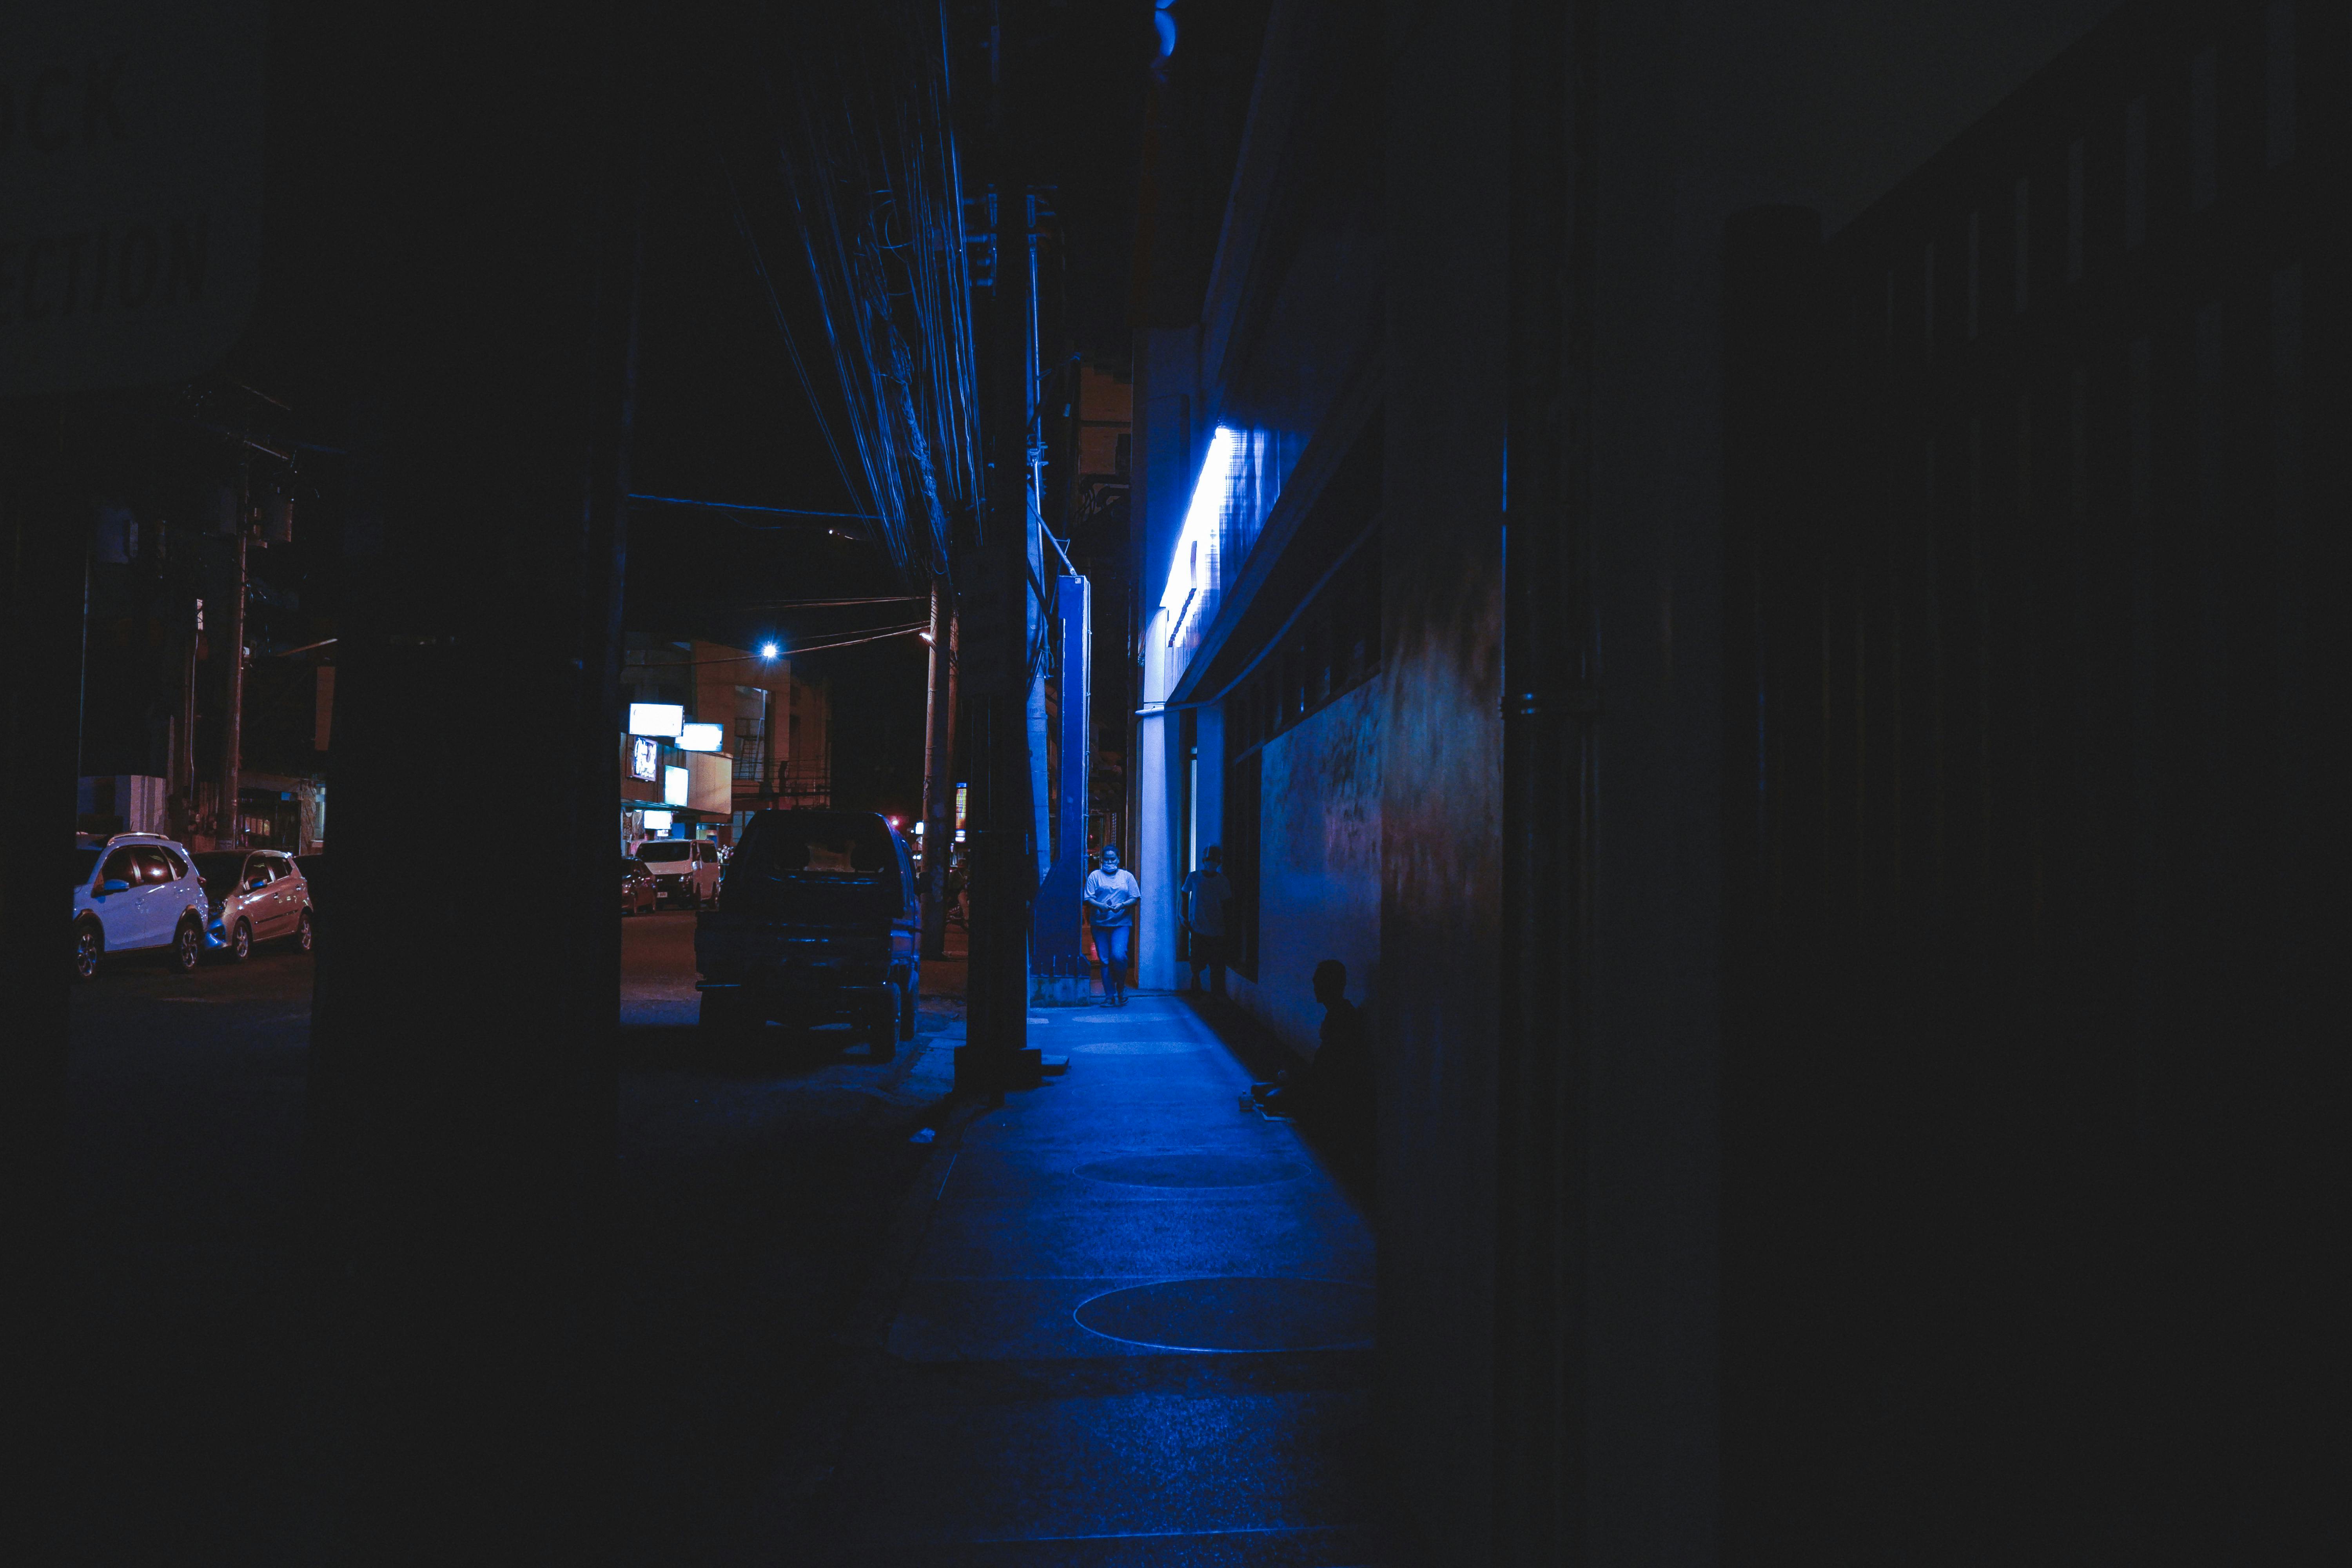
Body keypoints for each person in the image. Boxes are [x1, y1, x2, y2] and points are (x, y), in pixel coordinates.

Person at [1246, 961, 1373, 1155]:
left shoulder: (1341, 1019)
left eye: (1319, 982)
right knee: (1262, 1090)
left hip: (1327, 1090)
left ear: (1329, 985)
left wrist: (1296, 1080)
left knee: (1270, 1098)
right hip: (1320, 1081)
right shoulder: (1338, 1014)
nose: (1314, 987)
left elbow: (1330, 1074)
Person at [1082, 844, 1140, 1006]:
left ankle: (1121, 987)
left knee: (1119, 956)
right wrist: (1100, 906)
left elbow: (1135, 898)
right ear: (1102, 860)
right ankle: (1110, 996)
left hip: (1121, 923)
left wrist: (1122, 906)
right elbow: (1088, 898)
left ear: (1118, 860)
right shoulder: (1095, 876)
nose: (1109, 862)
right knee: (1105, 960)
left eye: (1112, 859)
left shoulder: (1126, 877)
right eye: (1106, 859)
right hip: (1100, 923)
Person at [1179, 846, 1233, 997]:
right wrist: (1181, 915)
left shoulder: (1222, 882)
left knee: (1217, 966)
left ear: (1219, 862)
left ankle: (1216, 996)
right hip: (1198, 927)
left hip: (1217, 929)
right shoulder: (1194, 877)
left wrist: (1228, 927)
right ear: (1204, 861)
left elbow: (1227, 905)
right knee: (1196, 962)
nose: (1212, 863)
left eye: (1215, 860)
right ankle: (1196, 988)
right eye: (1209, 860)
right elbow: (1184, 894)